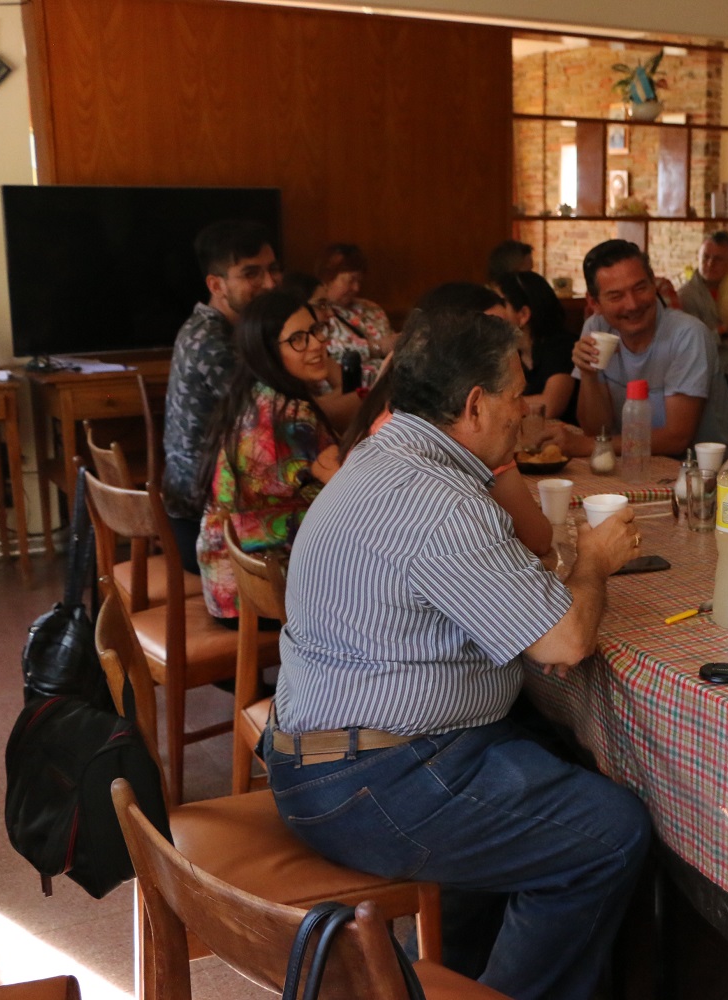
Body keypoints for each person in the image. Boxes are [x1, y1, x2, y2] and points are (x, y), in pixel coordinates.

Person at [266, 308, 651, 1000]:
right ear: (474, 405)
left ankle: (468, 976)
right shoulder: (439, 502)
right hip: (370, 781)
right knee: (609, 833)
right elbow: (565, 643)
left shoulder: (380, 458)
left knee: (544, 754)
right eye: (517, 391)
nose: (527, 407)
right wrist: (592, 564)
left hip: (320, 753)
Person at [341, 283, 554, 562]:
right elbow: (537, 540)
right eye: (489, 329)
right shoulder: (447, 501)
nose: (524, 409)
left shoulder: (396, 424)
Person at [195, 290, 340, 623]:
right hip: (259, 594)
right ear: (269, 353)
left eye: (317, 331)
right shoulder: (290, 416)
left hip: (228, 581)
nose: (316, 345)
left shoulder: (253, 392)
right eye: (298, 340)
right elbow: (352, 490)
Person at [163, 219, 282, 572]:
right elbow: (275, 418)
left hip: (211, 509)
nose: (271, 283)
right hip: (205, 527)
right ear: (216, 285)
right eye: (252, 274)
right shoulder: (213, 342)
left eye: (273, 270)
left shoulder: (214, 327)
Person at [573, 239, 728, 453]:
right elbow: (596, 430)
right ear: (594, 303)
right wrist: (589, 375)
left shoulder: (688, 335)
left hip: (700, 477)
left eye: (640, 288)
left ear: (653, 283)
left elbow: (676, 439)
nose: (632, 304)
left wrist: (587, 446)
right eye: (616, 296)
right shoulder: (597, 329)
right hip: (634, 467)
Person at [493, 269, 578, 423]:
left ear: (524, 314)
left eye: (501, 303)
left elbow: (550, 406)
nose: (494, 312)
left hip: (568, 443)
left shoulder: (562, 346)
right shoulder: (511, 352)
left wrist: (496, 405)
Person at [313, 242, 394, 363]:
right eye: (351, 281)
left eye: (359, 281)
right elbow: (323, 352)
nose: (356, 288)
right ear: (327, 278)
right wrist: (377, 347)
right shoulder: (314, 313)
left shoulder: (371, 308)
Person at [677, 230, 728, 373]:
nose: (710, 264)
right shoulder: (686, 296)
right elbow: (691, 343)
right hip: (711, 371)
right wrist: (727, 328)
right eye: (705, 257)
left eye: (718, 259)